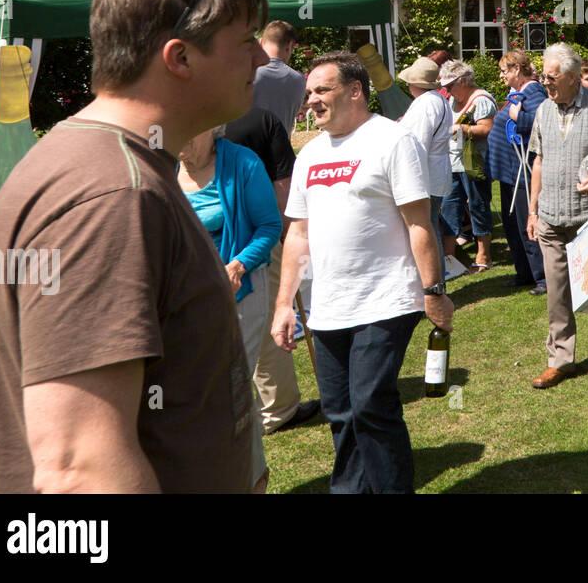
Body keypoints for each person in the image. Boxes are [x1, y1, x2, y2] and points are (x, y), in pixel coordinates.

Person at [0, 0, 267, 493]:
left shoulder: (110, 170)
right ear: (180, 58)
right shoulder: (112, 194)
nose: (262, 58)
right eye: (246, 42)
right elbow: (81, 469)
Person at [272, 52, 453, 494]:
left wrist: (434, 291)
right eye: (308, 92)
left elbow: (418, 223)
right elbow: (298, 233)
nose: (311, 100)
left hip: (387, 297)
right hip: (328, 306)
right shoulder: (310, 153)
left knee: (372, 403)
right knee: (340, 411)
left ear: (355, 90)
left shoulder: (392, 140)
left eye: (322, 90)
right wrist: (283, 304)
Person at [178, 124, 281, 493]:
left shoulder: (242, 163)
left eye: (186, 127)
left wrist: (238, 264)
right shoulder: (164, 168)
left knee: (229, 386)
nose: (178, 139)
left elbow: (269, 226)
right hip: (184, 303)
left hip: (240, 294)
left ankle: (250, 480)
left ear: (210, 127)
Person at [225, 105, 322, 435]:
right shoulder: (262, 118)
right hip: (258, 237)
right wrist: (286, 234)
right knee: (269, 323)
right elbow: (284, 184)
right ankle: (276, 409)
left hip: (206, 241)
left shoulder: (183, 118)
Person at [525, 43, 588, 388]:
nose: (546, 82)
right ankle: (561, 359)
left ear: (575, 79)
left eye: (552, 77)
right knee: (557, 292)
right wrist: (533, 211)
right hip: (550, 215)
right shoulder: (543, 110)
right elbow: (539, 161)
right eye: (544, 76)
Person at [490, 50, 548, 291]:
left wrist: (517, 116)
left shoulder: (533, 90)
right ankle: (523, 272)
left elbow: (539, 120)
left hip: (523, 170)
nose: (502, 76)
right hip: (512, 171)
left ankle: (542, 277)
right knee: (512, 223)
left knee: (528, 222)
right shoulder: (519, 92)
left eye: (505, 71)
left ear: (517, 70)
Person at [439, 60, 495, 271]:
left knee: (478, 206)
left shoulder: (481, 99)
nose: (447, 90)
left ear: (462, 80)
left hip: (474, 164)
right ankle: (449, 258)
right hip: (452, 163)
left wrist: (460, 128)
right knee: (450, 207)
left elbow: (487, 129)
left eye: (450, 85)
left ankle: (483, 256)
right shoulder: (453, 99)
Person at [399, 56, 456, 254]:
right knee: (429, 227)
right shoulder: (435, 99)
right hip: (434, 172)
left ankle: (435, 281)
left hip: (426, 174)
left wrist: (409, 177)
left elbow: (418, 144)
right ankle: (436, 279)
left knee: (425, 229)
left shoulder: (426, 104)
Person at [253, 20, 307, 129]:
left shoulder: (248, 74)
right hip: (282, 143)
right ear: (290, 45)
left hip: (244, 144)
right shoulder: (299, 80)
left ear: (261, 42)